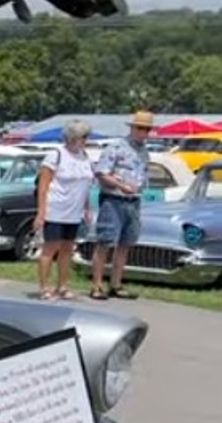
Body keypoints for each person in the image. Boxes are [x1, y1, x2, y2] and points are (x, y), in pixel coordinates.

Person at [91, 110, 155, 300]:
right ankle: (97, 285)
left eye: (147, 129)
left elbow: (143, 176)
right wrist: (121, 186)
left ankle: (116, 284)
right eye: (141, 128)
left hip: (133, 201)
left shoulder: (144, 152)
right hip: (114, 200)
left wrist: (138, 188)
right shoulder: (116, 147)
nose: (144, 132)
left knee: (125, 244)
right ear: (132, 128)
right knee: (105, 242)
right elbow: (102, 174)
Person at [33, 120, 95, 301]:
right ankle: (44, 287)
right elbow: (43, 186)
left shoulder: (85, 157)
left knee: (68, 249)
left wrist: (87, 207)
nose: (86, 140)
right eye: (83, 137)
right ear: (72, 137)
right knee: (50, 249)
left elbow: (85, 185)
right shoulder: (56, 155)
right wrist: (41, 212)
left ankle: (63, 285)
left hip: (74, 212)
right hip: (56, 209)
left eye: (86, 137)